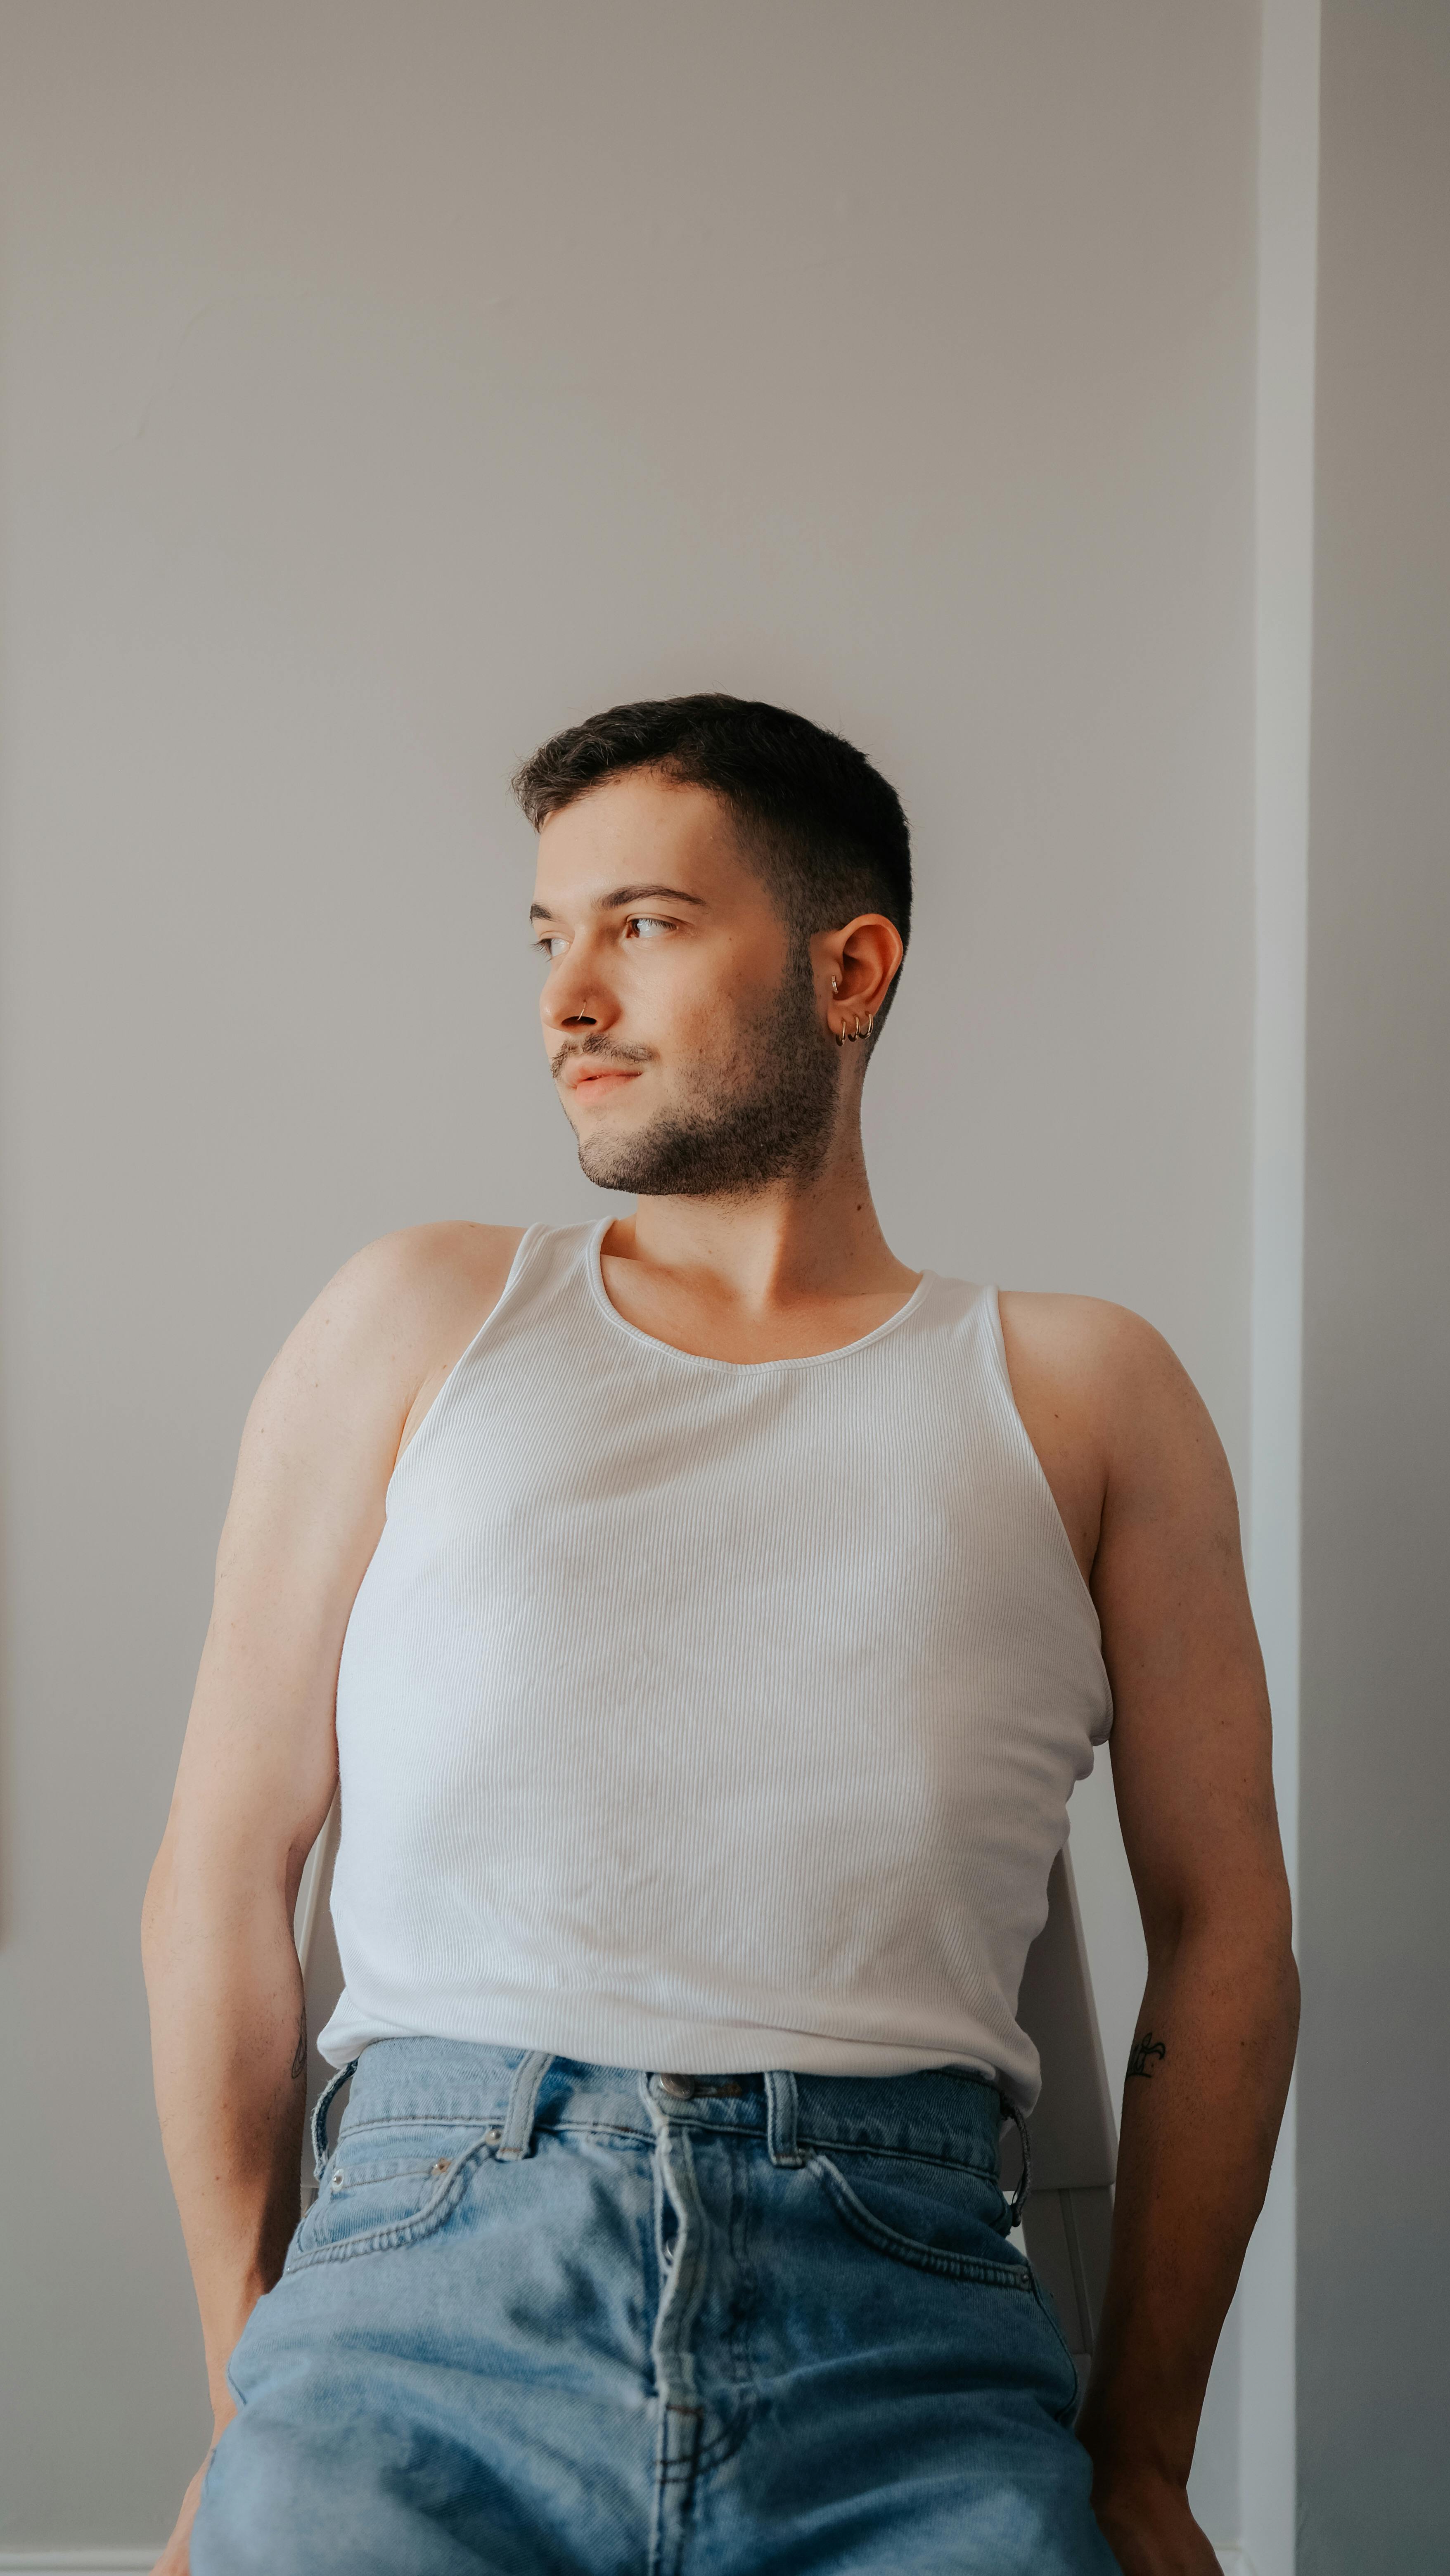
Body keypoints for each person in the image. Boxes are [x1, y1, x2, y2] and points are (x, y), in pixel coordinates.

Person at [142, 695, 1297, 2576]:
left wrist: (1143, 2456)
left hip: (906, 2330)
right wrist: (250, 2380)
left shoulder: (1088, 1393)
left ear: (850, 971)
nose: (565, 999)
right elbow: (218, 1876)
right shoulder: (416, 1320)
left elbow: (1228, 1934)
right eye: (545, 938)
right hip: (415, 2302)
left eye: (644, 924)